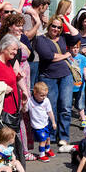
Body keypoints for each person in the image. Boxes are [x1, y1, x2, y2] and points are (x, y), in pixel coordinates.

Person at [32, 16, 73, 152]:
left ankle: (64, 136)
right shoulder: (40, 39)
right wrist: (66, 55)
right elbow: (48, 56)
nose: (56, 29)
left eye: (59, 27)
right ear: (48, 26)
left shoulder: (63, 38)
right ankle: (51, 136)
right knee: (51, 107)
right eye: (53, 26)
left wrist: (66, 22)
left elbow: (77, 36)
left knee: (66, 107)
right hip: (48, 76)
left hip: (66, 75)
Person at [27, 81, 56, 161]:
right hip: (37, 126)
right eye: (41, 95)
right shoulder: (30, 101)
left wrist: (53, 122)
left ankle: (47, 150)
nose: (44, 97)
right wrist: (24, 103)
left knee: (48, 138)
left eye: (45, 95)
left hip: (45, 124)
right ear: (35, 93)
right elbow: (25, 110)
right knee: (42, 140)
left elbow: (50, 112)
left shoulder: (46, 101)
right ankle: (42, 155)